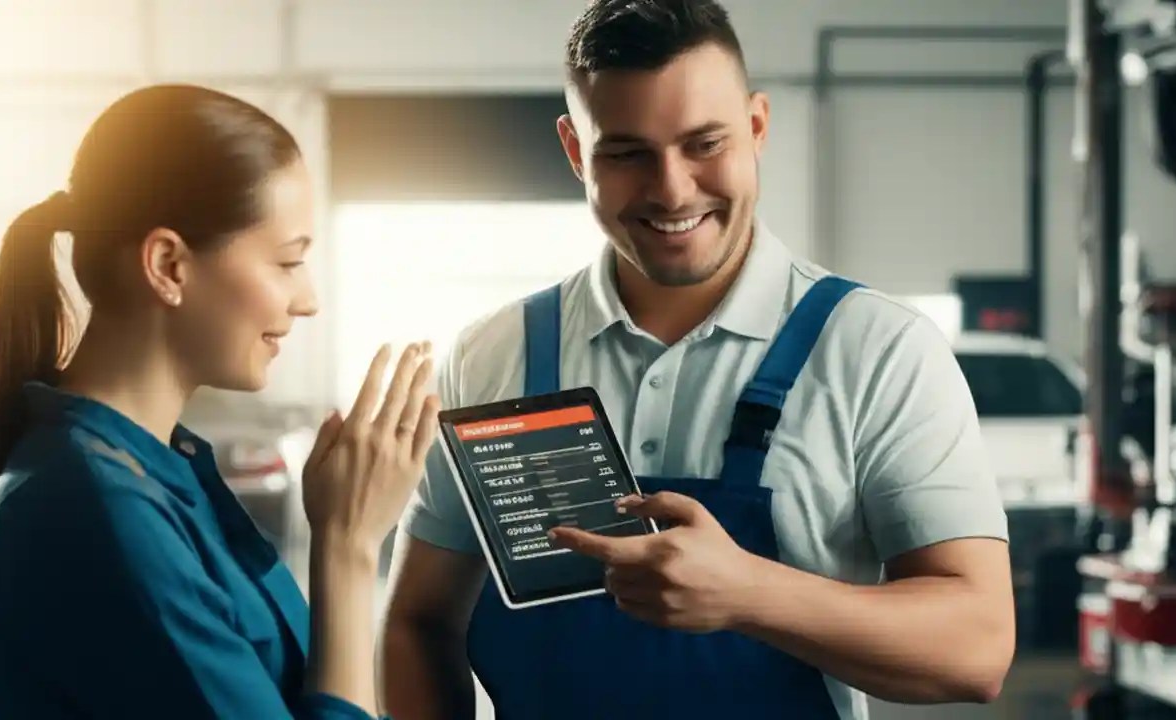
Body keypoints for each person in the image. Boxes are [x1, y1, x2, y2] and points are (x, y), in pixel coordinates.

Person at [380, 1, 1015, 719]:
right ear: (573, 149)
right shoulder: (494, 356)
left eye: (704, 144)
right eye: (626, 153)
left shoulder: (879, 352)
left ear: (757, 126)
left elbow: (977, 648)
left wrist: (749, 593)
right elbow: (417, 622)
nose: (672, 190)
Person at [0, 84, 437, 720]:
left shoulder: (157, 468)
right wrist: (349, 548)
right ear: (168, 265)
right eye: (287, 262)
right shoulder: (94, 506)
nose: (308, 299)